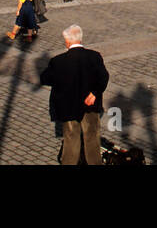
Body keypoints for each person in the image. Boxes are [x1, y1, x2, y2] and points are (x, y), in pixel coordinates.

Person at [39, 24, 110, 165]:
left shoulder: (58, 61)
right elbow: (103, 77)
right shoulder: (94, 56)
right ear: (80, 39)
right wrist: (95, 93)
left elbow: (45, 79)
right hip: (89, 105)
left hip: (68, 107)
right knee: (92, 140)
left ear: (67, 41)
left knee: (71, 140)